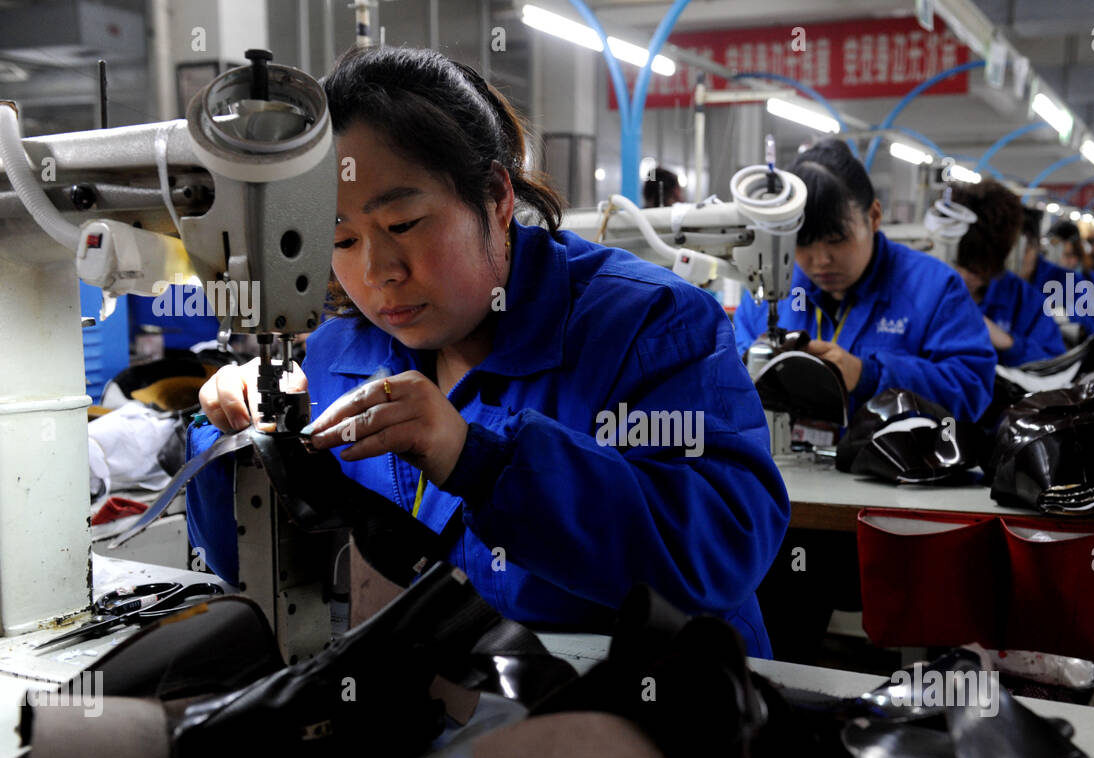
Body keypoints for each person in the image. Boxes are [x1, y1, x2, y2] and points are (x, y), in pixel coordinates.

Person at [188, 46, 790, 658]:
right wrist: (231, 447)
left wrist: (481, 462)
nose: (378, 272)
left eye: (403, 224)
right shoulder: (342, 348)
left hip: (644, 705)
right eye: (341, 239)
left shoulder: (650, 324)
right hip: (443, 705)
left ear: (497, 198)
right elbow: (255, 563)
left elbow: (724, 547)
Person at [732, 137, 996, 423]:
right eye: (802, 244)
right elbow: (732, 368)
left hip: (890, 464)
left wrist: (869, 376)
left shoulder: (935, 288)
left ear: (873, 216)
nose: (821, 260)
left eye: (837, 240)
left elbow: (971, 389)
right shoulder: (772, 286)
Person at [945, 180, 1065, 367]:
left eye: (979, 270)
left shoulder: (1025, 301)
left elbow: (1055, 364)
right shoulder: (926, 291)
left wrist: (1008, 342)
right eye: (961, 265)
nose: (968, 278)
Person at [1018, 215, 1094, 335]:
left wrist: (1068, 315)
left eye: (1069, 255)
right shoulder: (1040, 279)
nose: (1062, 261)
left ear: (1080, 254)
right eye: (1054, 254)